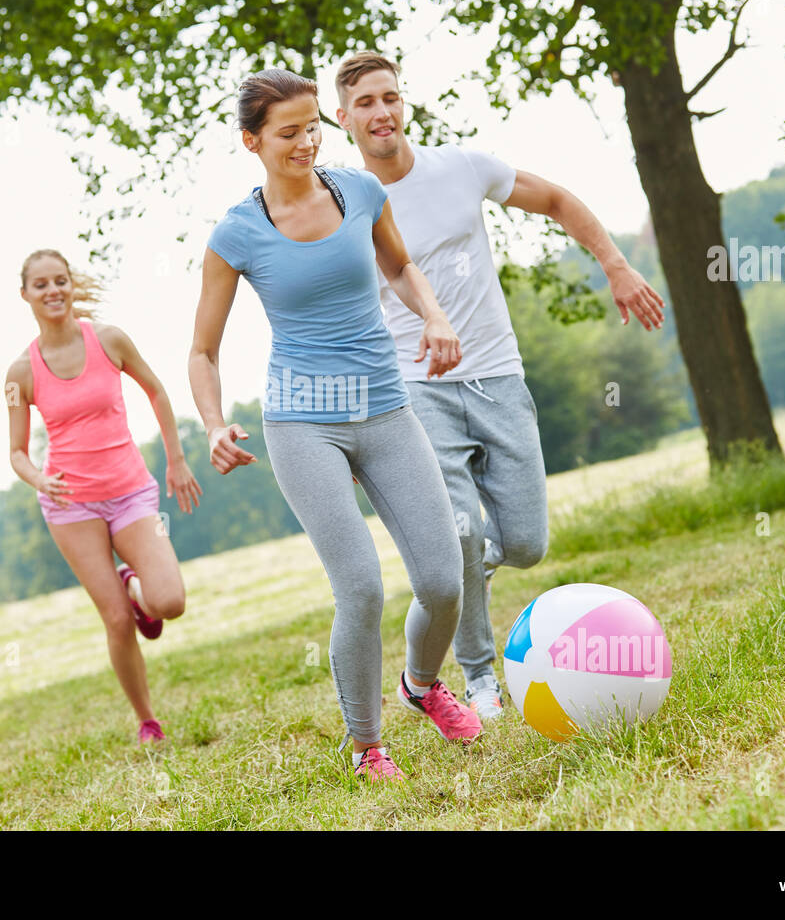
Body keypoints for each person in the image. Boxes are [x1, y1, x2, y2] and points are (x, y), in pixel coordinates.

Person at [334, 52, 667, 718]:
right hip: (413, 389)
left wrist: (617, 265)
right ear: (342, 118)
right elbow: (338, 314)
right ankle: (478, 675)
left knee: (524, 543)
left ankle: (468, 575)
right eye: (365, 103)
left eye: (390, 97)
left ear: (405, 104)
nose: (382, 112)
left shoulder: (460, 169)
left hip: (498, 376)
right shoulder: (342, 204)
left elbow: (557, 199)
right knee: (454, 532)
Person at [189, 69, 482, 783]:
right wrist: (214, 424)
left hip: (384, 406)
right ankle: (366, 745)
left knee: (445, 580)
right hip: (302, 422)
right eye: (288, 133)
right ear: (252, 140)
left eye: (314, 126)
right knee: (360, 588)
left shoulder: (360, 191)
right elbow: (202, 349)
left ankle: (420, 682)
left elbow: (402, 267)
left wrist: (435, 315)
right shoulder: (237, 233)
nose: (307, 142)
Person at [5, 249, 200, 743]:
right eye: (41, 284)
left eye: (60, 281)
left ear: (72, 285)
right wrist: (38, 480)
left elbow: (156, 390)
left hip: (131, 491)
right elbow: (16, 452)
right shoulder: (19, 373)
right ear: (24, 294)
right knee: (115, 619)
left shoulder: (109, 339)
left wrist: (176, 460)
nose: (53, 291)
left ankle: (134, 583)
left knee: (169, 601)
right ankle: (147, 721)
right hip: (70, 506)